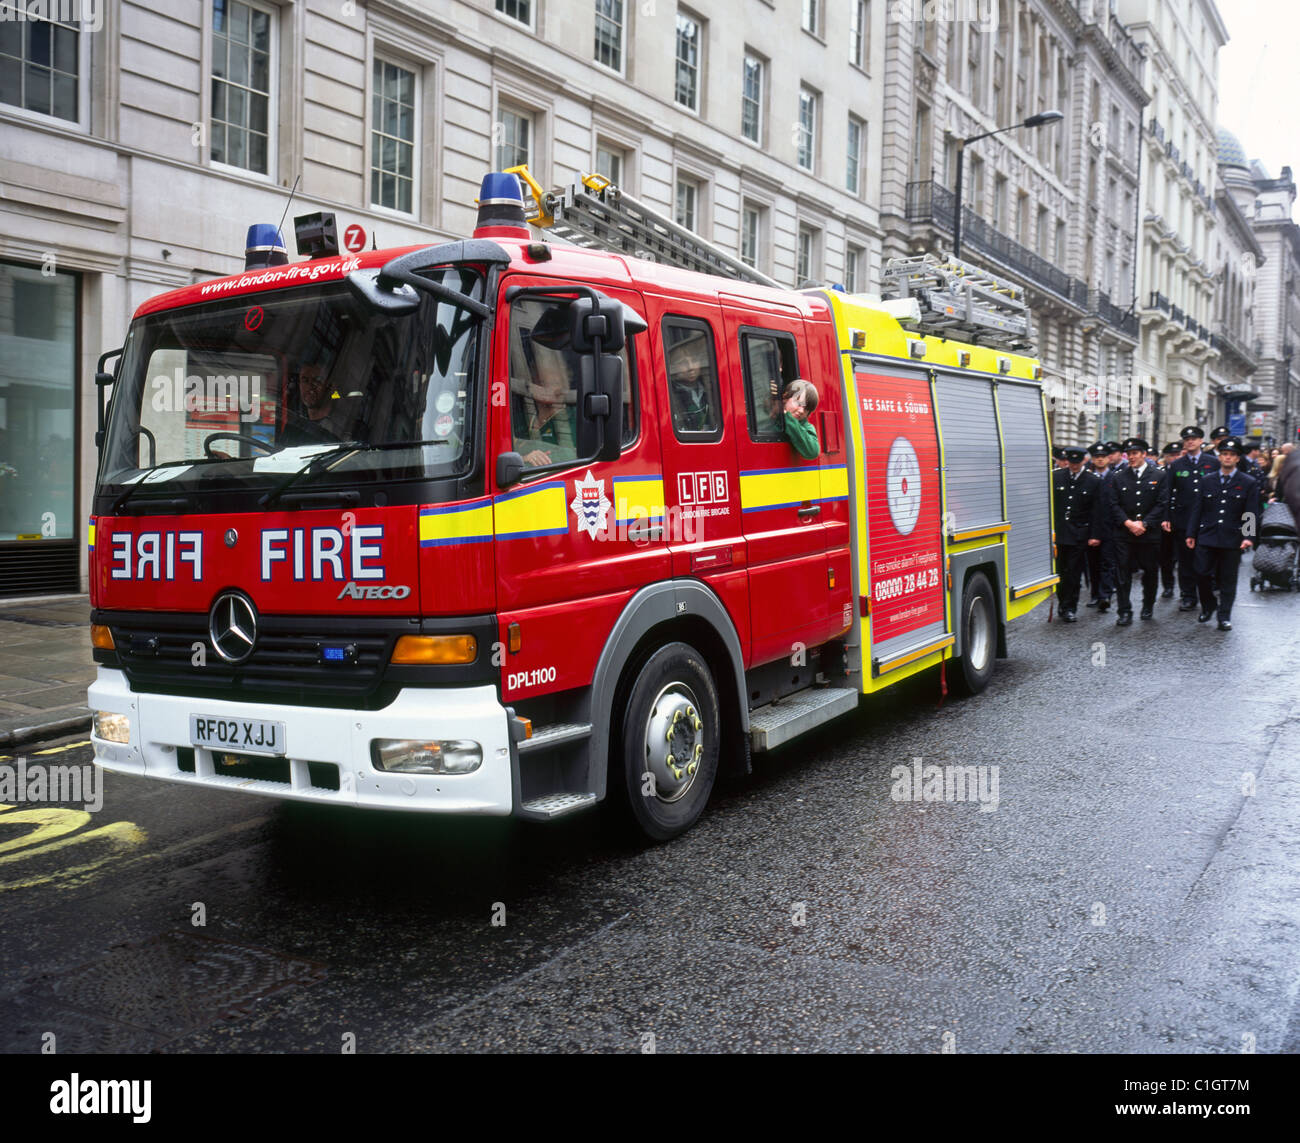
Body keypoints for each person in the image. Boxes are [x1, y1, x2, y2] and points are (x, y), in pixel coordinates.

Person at [1186, 437, 1260, 631]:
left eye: (1231, 455)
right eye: (1224, 454)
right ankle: (1209, 604)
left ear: (1237, 459)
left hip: (1232, 537)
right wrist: (1191, 533)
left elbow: (1250, 511)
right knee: (1201, 573)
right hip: (1207, 534)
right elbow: (1197, 508)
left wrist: (1248, 536)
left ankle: (1224, 615)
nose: (1227, 458)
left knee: (1228, 578)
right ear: (1219, 457)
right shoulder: (1207, 480)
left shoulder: (1247, 482)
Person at [1104, 437, 1170, 626]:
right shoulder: (1119, 476)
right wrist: (1128, 522)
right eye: (1129, 454)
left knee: (1150, 571)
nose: (1131, 457)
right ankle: (1124, 611)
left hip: (1149, 534)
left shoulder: (1159, 475)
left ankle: (1148, 605)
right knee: (1122, 572)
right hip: (1124, 533)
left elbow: (1162, 503)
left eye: (1135, 453)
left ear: (1143, 454)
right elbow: (1113, 504)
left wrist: (1145, 523)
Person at [1162, 425, 1217, 611]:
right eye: (1187, 439)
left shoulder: (1212, 462)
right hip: (1183, 519)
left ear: (1201, 441)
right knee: (1185, 560)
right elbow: (1168, 493)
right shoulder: (1177, 464)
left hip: (1207, 519)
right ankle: (1188, 595)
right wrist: (1167, 516)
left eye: (1194, 438)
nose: (1190, 441)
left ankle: (1206, 593)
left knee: (1205, 560)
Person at [1052, 447, 1104, 621]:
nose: (1074, 466)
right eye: (1071, 463)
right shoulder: (1056, 476)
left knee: (1074, 573)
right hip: (1060, 533)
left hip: (1080, 533)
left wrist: (1095, 535)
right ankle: (1062, 602)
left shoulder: (1093, 481)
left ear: (1084, 461)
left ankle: (1070, 607)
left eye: (1077, 463)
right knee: (1060, 571)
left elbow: (1097, 511)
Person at [513, 347, 578, 467]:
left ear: (566, 384)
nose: (548, 389)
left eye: (554, 382)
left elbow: (572, 460)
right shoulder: (517, 419)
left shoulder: (576, 421)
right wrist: (524, 459)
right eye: (540, 382)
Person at [281, 361, 349, 445]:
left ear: (330, 386)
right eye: (305, 380)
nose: (310, 386)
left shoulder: (341, 428)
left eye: (317, 381)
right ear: (299, 384)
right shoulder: (294, 422)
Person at [1084, 443, 1117, 610]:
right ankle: (1095, 594)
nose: (1100, 460)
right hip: (1091, 528)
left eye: (1103, 457)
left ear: (1108, 459)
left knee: (1108, 562)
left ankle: (1105, 595)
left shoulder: (1116, 477)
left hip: (1110, 528)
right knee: (1093, 564)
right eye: (1097, 457)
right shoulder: (1088, 478)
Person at [1156, 442, 1181, 597]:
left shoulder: (1187, 471)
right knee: (1166, 556)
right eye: (1171, 455)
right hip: (1165, 520)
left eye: (1177, 455)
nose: (1174, 458)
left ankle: (1189, 590)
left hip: (1183, 519)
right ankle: (1168, 585)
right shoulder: (1159, 473)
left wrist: (1249, 533)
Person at [781, 379, 821, 459]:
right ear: (785, 398)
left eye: (806, 409)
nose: (801, 411)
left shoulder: (807, 427)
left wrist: (788, 418)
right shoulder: (771, 415)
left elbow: (813, 451)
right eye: (798, 403)